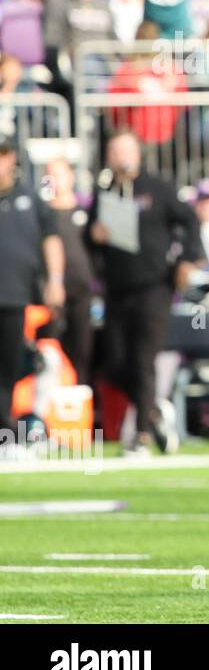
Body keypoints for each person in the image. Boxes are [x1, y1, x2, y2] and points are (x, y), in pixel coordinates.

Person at [87, 128, 200, 456]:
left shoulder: (158, 187)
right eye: (114, 151)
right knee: (114, 363)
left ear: (137, 154)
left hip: (153, 287)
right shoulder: (105, 191)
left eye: (125, 150)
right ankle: (152, 409)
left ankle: (141, 435)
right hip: (117, 288)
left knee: (142, 359)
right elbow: (91, 238)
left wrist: (187, 260)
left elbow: (190, 221)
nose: (120, 158)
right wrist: (93, 235)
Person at [0, 136, 65, 446]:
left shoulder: (30, 198)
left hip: (14, 297)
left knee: (10, 365)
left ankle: (4, 432)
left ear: (12, 158)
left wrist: (55, 279)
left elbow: (51, 239)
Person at [41, 157, 94, 387]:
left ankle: (80, 406)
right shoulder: (42, 214)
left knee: (82, 350)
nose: (55, 181)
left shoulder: (87, 211)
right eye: (49, 175)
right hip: (52, 293)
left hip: (82, 291)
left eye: (59, 174)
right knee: (49, 351)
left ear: (71, 176)